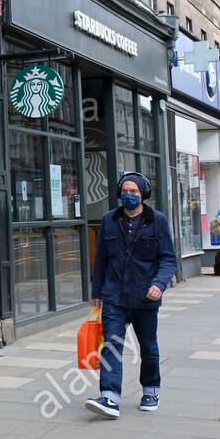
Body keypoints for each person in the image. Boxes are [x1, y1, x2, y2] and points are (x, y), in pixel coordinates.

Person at [85, 172, 177, 419]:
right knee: (111, 345)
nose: (129, 195)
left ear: (143, 194)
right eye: (125, 191)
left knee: (148, 346)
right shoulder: (108, 220)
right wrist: (97, 291)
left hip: (145, 296)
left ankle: (151, 390)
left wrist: (159, 284)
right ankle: (110, 397)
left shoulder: (157, 221)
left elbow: (168, 259)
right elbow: (101, 259)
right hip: (114, 295)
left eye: (134, 192)